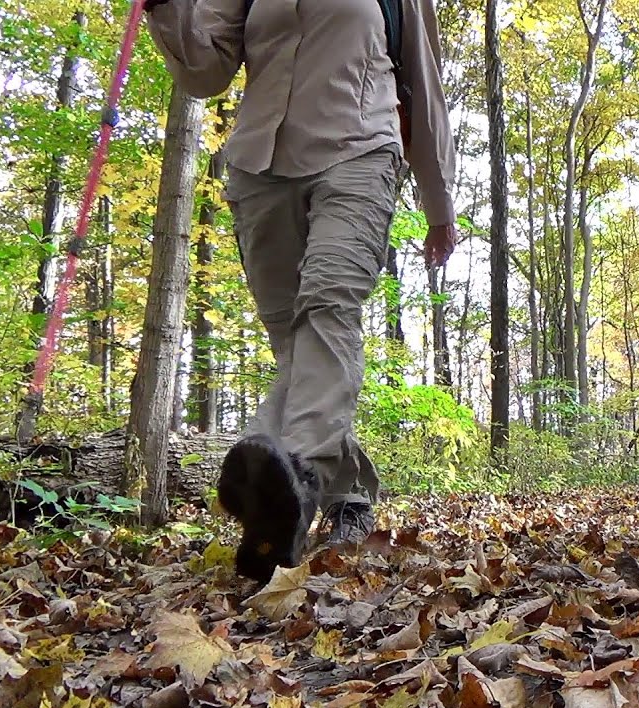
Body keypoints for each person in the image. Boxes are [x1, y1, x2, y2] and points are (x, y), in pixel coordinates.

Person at [143, 0, 458, 582]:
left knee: (328, 305)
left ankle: (296, 476)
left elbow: (425, 81)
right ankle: (352, 497)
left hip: (360, 152)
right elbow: (204, 74)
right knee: (297, 345)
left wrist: (439, 205)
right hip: (260, 168)